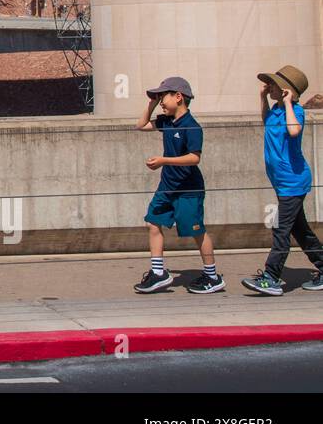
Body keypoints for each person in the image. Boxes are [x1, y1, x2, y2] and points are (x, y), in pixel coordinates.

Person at [133, 76, 224, 294]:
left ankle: (212, 277)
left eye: (163, 96)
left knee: (196, 231)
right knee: (153, 222)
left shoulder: (191, 126)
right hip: (167, 186)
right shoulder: (166, 121)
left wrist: (164, 160)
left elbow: (194, 158)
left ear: (178, 97)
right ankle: (158, 273)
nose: (161, 102)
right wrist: (152, 103)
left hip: (188, 189)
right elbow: (141, 125)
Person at [241, 65, 323, 295]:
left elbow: (294, 131)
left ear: (287, 91)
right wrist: (262, 98)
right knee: (299, 230)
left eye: (274, 85)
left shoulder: (295, 111)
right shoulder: (276, 111)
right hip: (282, 181)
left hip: (293, 181)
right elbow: (266, 120)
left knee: (281, 229)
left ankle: (271, 278)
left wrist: (288, 103)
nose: (270, 87)